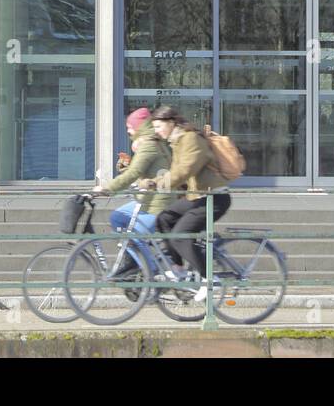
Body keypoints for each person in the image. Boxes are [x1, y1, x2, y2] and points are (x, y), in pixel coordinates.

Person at [150, 106, 231, 294]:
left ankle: (209, 279)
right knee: (164, 219)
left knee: (180, 234)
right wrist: (153, 182)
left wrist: (162, 184)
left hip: (214, 197)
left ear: (171, 123)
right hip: (197, 196)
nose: (156, 131)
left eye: (158, 126)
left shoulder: (190, 138)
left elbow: (186, 169)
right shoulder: (177, 140)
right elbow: (175, 172)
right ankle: (178, 269)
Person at [93, 107, 172, 235]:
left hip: (157, 203)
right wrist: (127, 166)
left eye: (131, 127)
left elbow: (134, 173)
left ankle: (142, 252)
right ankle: (131, 253)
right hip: (148, 199)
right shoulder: (152, 142)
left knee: (136, 237)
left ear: (140, 128)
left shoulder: (149, 145)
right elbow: (141, 168)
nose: (129, 131)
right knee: (117, 218)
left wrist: (106, 188)